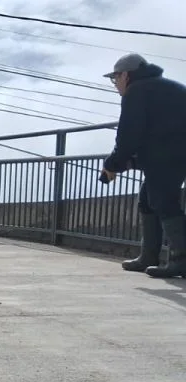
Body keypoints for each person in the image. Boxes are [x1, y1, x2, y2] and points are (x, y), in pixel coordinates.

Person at [100, 53, 186, 277]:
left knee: (164, 203)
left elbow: (129, 135)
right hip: (171, 152)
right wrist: (123, 162)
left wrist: (113, 163)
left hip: (169, 155)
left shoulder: (136, 91)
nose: (115, 84)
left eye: (115, 78)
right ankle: (148, 256)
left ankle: (181, 261)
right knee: (148, 199)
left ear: (126, 75)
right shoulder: (170, 87)